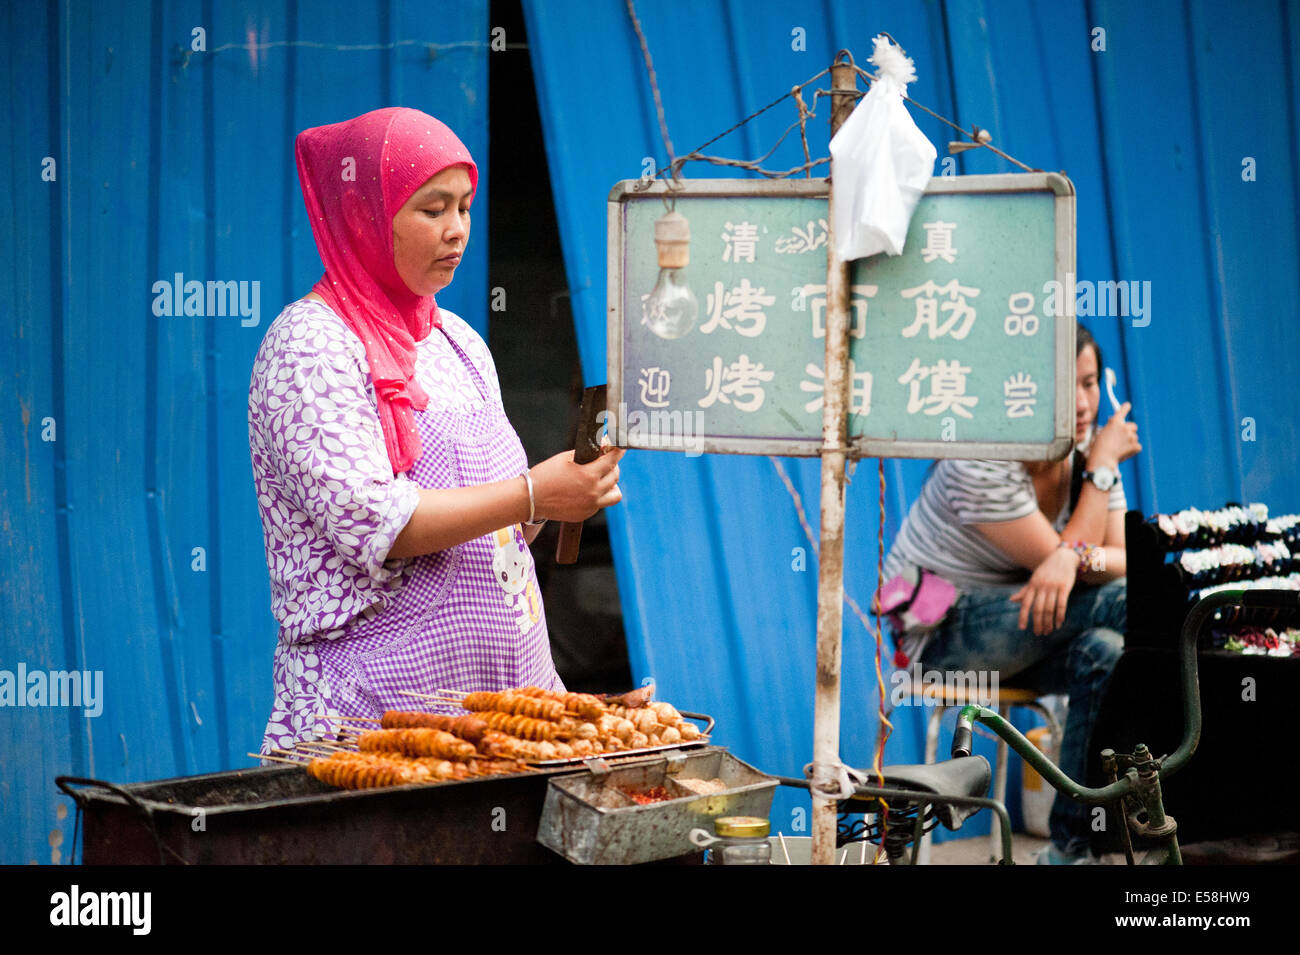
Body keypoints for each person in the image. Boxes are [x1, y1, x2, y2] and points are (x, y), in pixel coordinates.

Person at [248, 107, 623, 754]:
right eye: (432, 209)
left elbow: (492, 517)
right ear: (367, 212)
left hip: (501, 725)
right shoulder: (309, 347)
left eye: (466, 207)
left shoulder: (457, 341)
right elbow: (379, 524)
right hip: (373, 735)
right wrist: (534, 493)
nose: (457, 231)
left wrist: (557, 499)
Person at [882, 324, 1141, 863]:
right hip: (945, 641)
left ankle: (1069, 847)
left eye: (1090, 383)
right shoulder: (981, 457)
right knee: (1138, 604)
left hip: (1034, 631)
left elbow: (1113, 561)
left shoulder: (1092, 457)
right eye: (1062, 386)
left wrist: (1074, 549)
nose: (1082, 402)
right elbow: (1089, 569)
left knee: (1106, 650)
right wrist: (1097, 482)